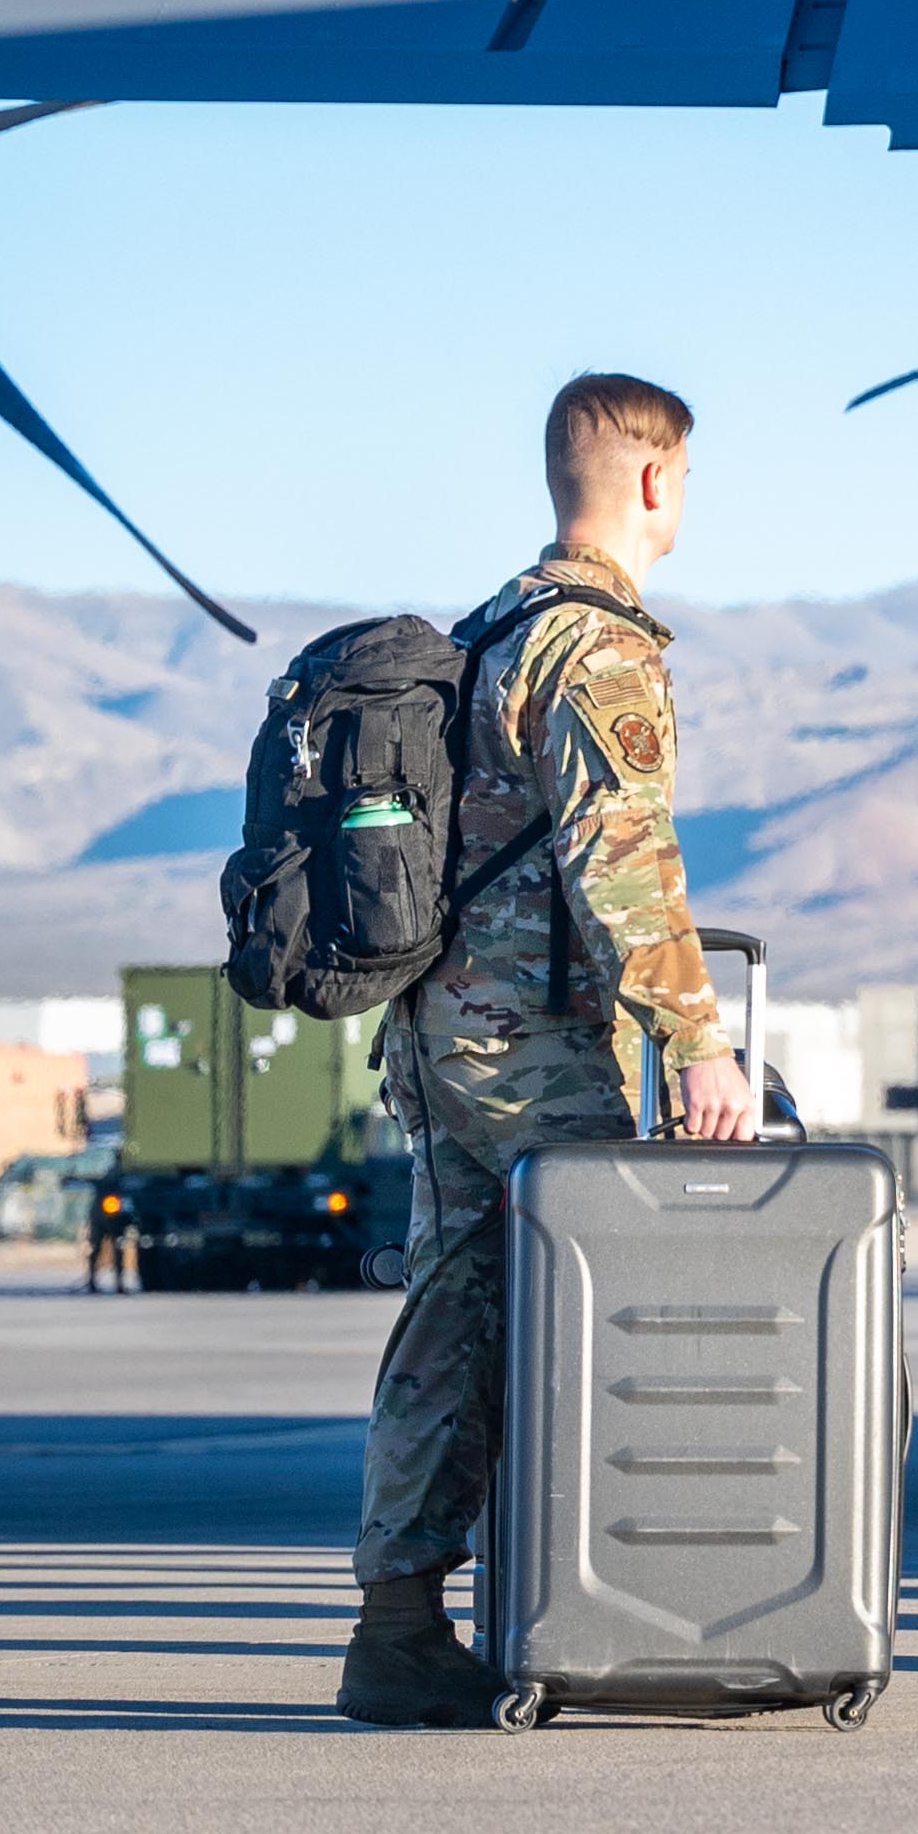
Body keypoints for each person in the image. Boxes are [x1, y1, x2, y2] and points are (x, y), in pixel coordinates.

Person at [342, 370, 752, 1729]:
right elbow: (622, 854)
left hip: (439, 1035)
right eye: (685, 479)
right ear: (651, 481)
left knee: (454, 1317)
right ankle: (607, 1617)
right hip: (529, 1051)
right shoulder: (600, 646)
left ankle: (400, 1624)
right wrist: (695, 1040)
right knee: (603, 1310)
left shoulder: (490, 627)